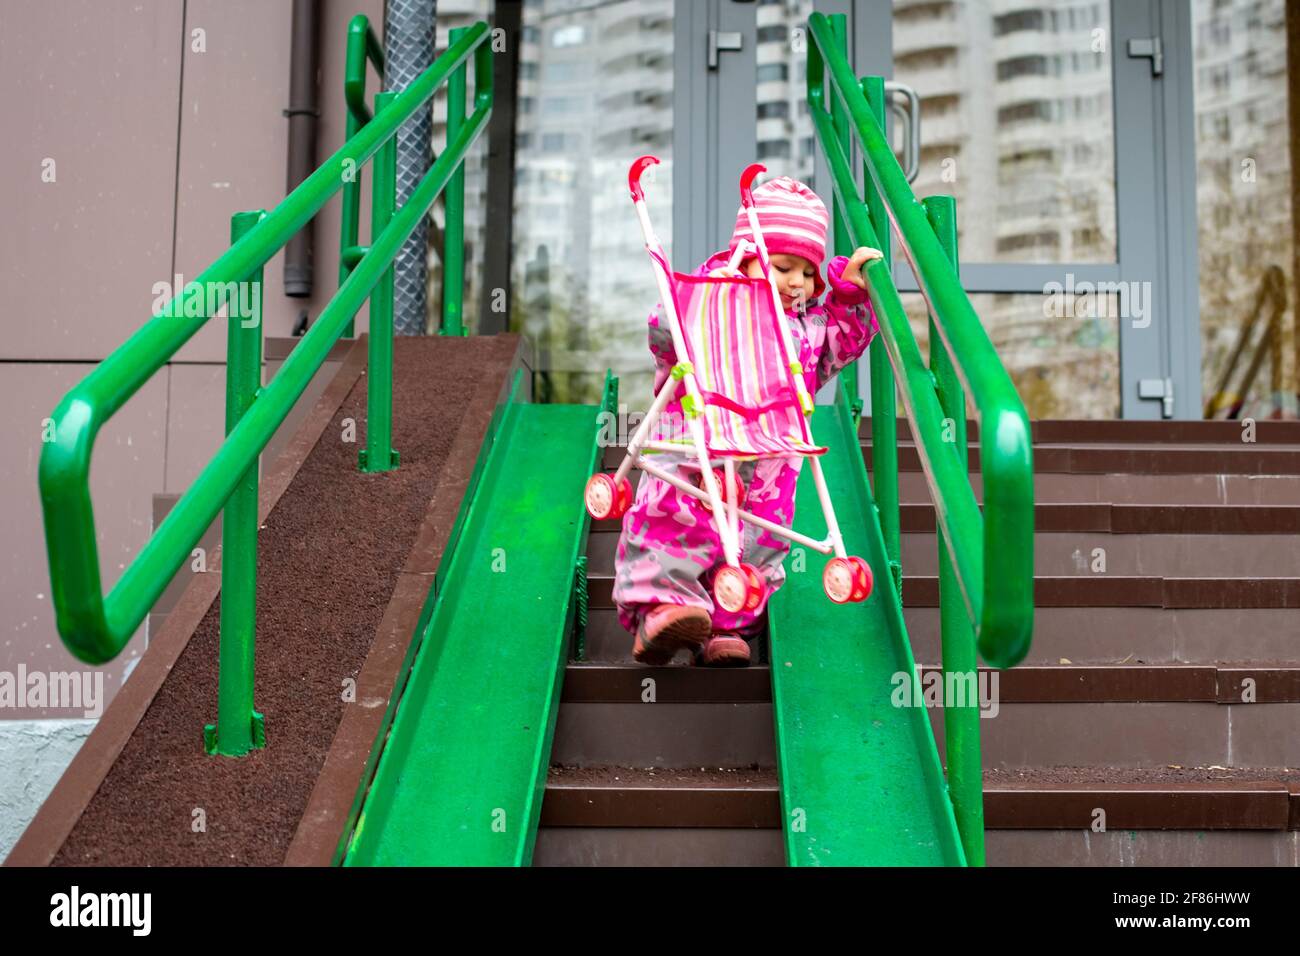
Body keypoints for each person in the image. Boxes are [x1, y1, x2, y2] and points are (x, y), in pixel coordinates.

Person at [612, 175, 883, 667]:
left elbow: (837, 347)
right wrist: (718, 286)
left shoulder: (804, 327)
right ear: (748, 255)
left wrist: (847, 298)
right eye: (782, 267)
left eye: (808, 272)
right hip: (698, 442)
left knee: (760, 539)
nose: (797, 282)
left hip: (769, 456)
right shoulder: (711, 304)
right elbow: (663, 331)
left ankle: (726, 625)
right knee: (679, 519)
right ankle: (663, 609)